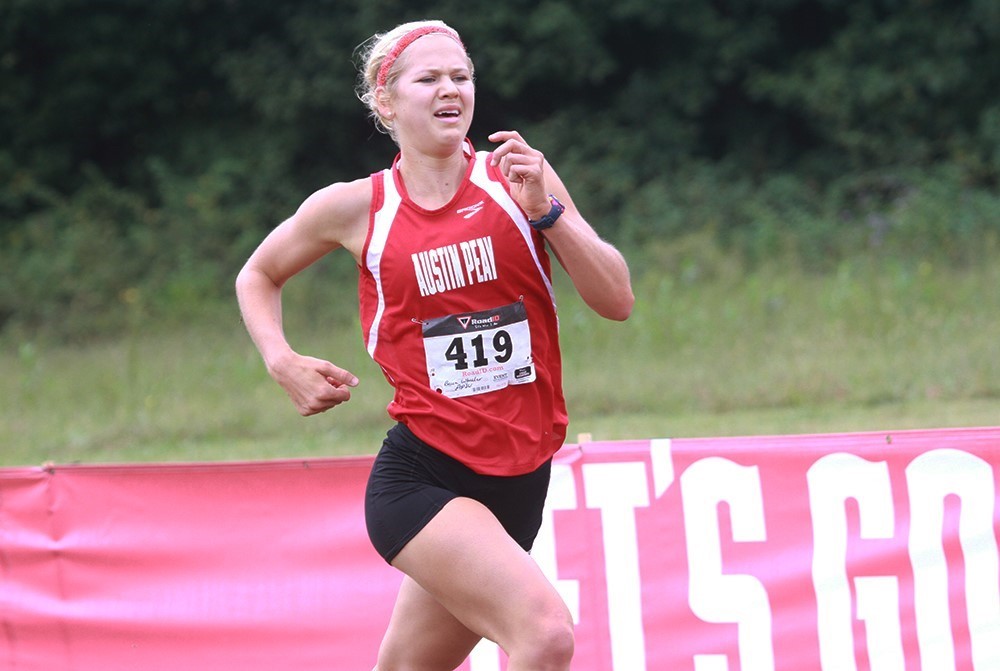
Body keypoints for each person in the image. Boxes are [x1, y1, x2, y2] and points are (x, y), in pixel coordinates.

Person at [235, 18, 634, 671]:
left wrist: (549, 213)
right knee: (547, 635)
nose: (451, 88)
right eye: (430, 79)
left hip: (519, 480)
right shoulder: (356, 207)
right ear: (387, 102)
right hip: (423, 477)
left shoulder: (519, 178)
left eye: (462, 76)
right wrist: (282, 360)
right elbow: (258, 274)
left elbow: (616, 300)